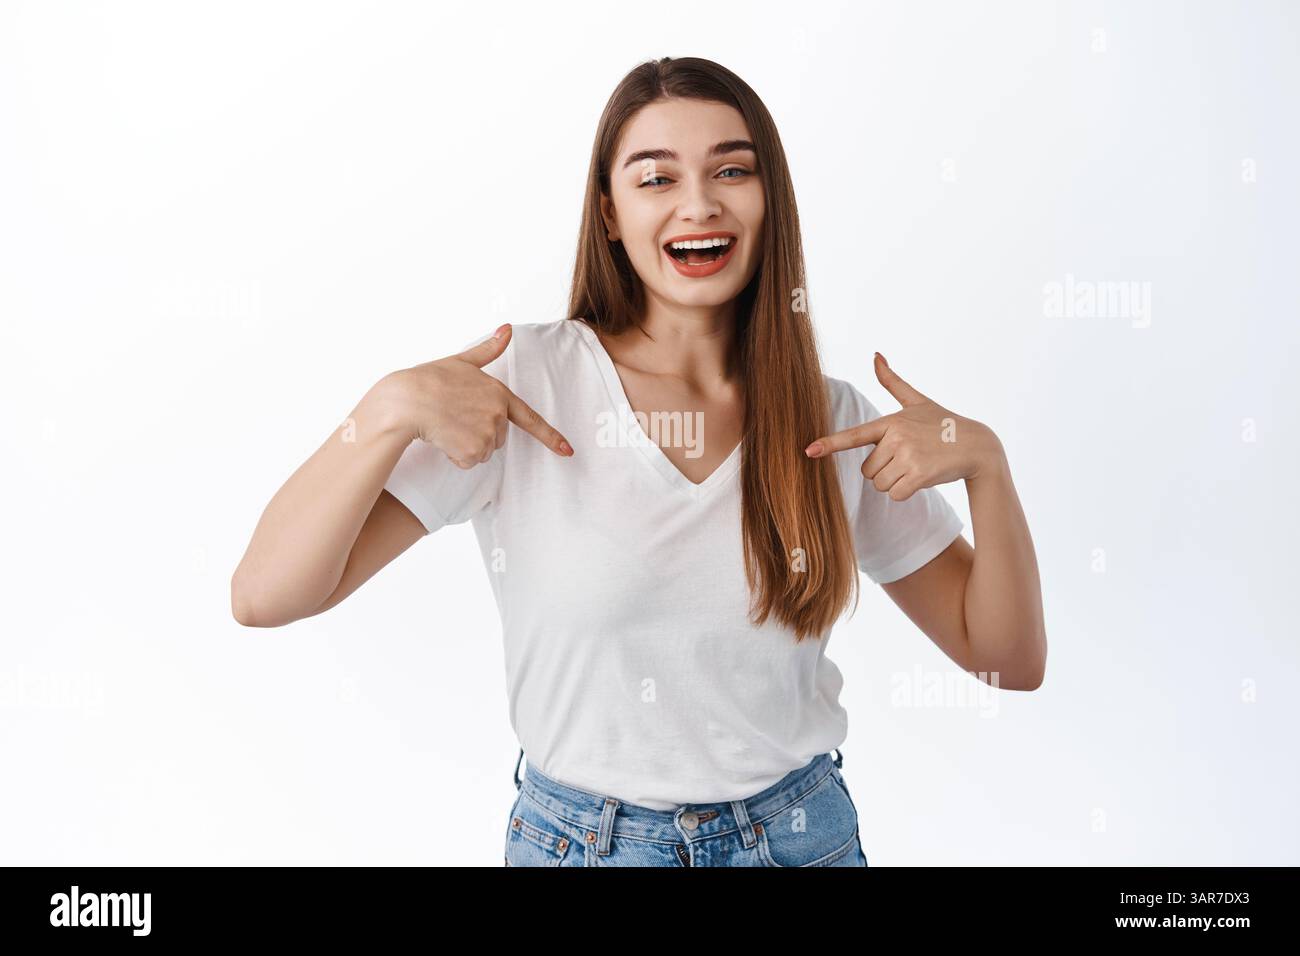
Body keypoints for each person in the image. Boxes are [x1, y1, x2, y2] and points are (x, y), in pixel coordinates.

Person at [231, 56, 1047, 867]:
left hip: (803, 840)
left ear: (771, 201)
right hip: (584, 846)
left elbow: (1007, 662)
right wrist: (383, 412)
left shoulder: (830, 423)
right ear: (611, 214)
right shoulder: (528, 389)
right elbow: (264, 594)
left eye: (732, 170)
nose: (700, 203)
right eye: (656, 178)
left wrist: (990, 471)